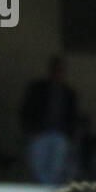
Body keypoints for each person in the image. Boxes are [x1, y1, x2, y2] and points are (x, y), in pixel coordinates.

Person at [19, 57, 79, 185]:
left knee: (56, 166)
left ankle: (50, 188)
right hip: (39, 133)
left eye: (62, 70)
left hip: (60, 135)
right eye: (57, 69)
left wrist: (70, 135)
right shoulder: (38, 88)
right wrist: (29, 130)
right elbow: (26, 110)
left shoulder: (69, 93)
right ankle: (45, 187)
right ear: (51, 70)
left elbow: (73, 116)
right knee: (37, 164)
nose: (59, 73)